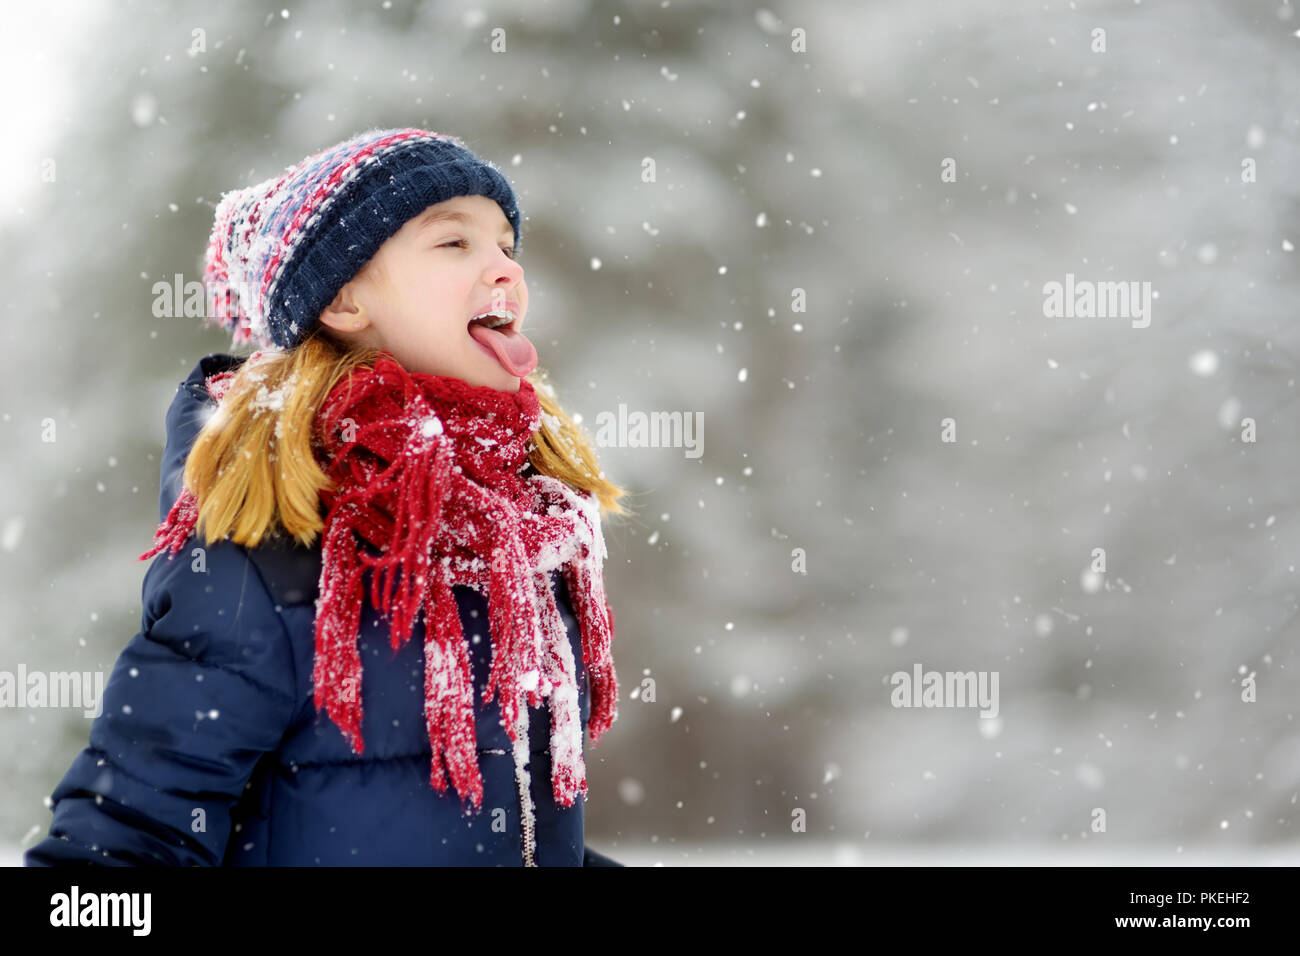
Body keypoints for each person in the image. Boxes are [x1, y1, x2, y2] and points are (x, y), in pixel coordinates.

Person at [25, 128, 629, 866]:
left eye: (507, 245)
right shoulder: (273, 554)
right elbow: (123, 841)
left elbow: (502, 833)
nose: (504, 269)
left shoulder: (511, 540)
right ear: (344, 299)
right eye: (454, 244)